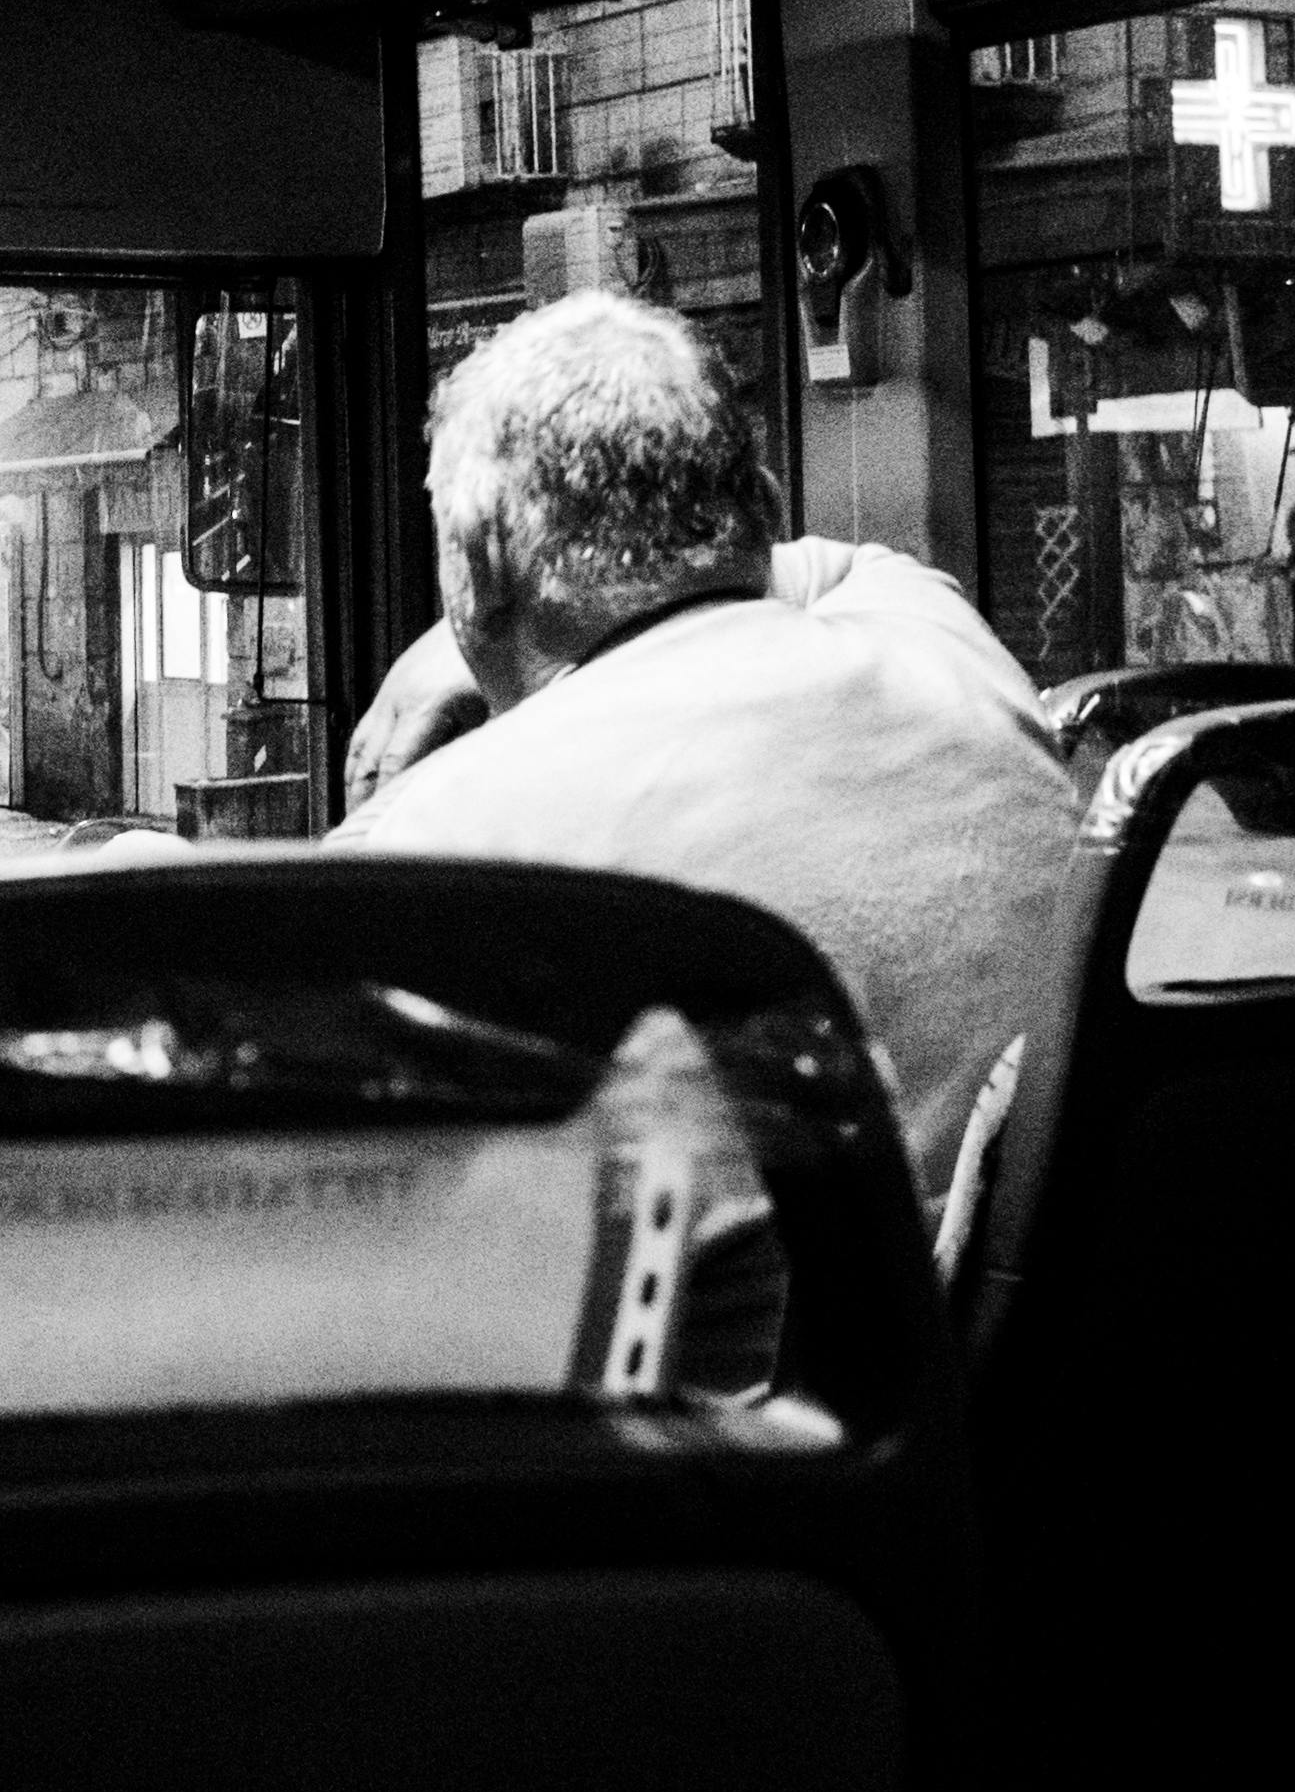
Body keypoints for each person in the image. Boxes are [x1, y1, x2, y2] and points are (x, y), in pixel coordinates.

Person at [332, 292, 1077, 1198]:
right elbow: (825, 563)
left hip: (727, 1297)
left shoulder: (437, 837)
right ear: (763, 506)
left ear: (482, 564)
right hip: (1014, 1276)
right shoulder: (928, 626)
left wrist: (475, 632)